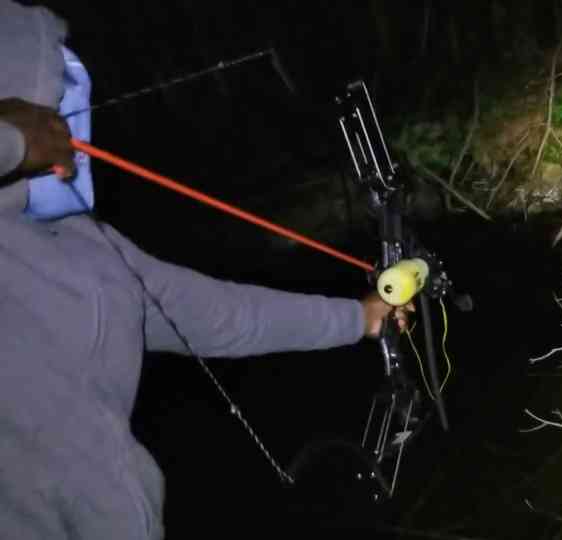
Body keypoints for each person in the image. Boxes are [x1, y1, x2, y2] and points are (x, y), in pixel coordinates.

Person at [0, 1, 407, 538]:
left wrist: (362, 317)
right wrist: (9, 139)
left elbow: (226, 315)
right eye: (46, 105)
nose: (63, 122)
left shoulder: (95, 251)